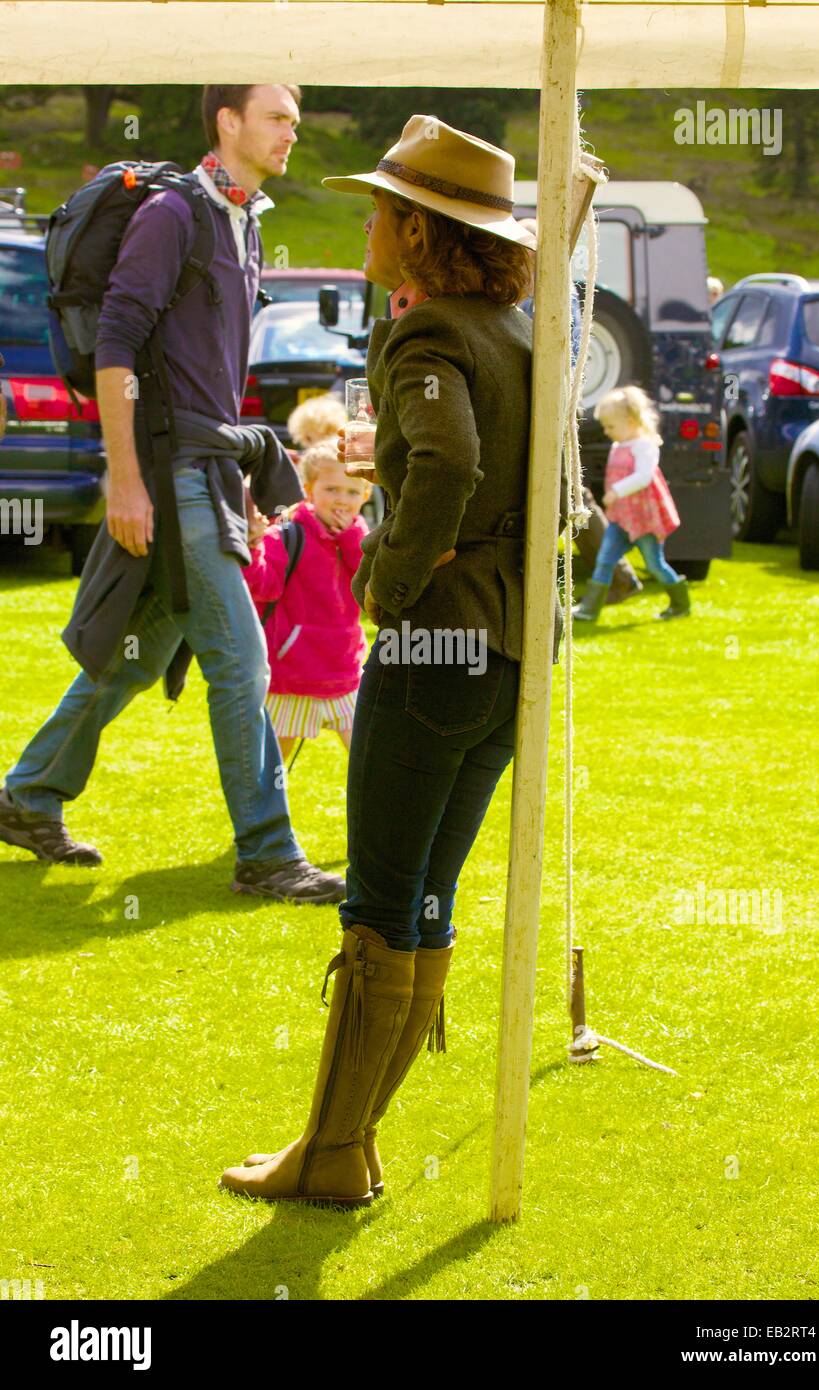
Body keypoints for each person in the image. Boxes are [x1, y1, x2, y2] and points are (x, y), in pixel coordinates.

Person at [218, 113, 569, 1205]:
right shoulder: (523, 331)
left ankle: (330, 1153)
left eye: (379, 208)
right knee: (422, 899)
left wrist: (387, 583)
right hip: (513, 656)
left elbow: (453, 456)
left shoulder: (429, 336)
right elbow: (564, 491)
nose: (365, 222)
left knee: (378, 900)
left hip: (436, 648)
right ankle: (348, 1142)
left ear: (416, 232)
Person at [0, 83, 345, 906]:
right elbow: (116, 345)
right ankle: (267, 852)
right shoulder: (174, 215)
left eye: (296, 118)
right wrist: (124, 478)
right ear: (227, 122)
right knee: (243, 660)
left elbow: (215, 381)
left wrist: (242, 485)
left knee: (138, 653)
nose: (292, 131)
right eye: (277, 117)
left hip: (209, 471)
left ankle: (27, 794)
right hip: (167, 472)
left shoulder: (247, 222)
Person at [516, 216, 642, 608]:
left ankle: (617, 577)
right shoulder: (560, 288)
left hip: (547, 410)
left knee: (569, 495)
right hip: (559, 407)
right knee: (570, 494)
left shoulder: (544, 293)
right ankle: (618, 577)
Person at [243, 441, 370, 767]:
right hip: (293, 677)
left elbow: (370, 586)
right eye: (331, 489)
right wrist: (253, 547)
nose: (342, 499)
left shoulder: (360, 537)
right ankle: (264, 817)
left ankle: (383, 819)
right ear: (309, 490)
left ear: (366, 496)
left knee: (370, 763)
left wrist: (350, 538)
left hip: (345, 675)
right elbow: (263, 586)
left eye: (352, 492)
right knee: (271, 768)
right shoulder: (286, 533)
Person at [573, 385, 690, 623]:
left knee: (654, 563)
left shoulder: (645, 446)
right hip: (620, 518)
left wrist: (616, 491)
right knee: (605, 559)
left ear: (630, 420)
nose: (606, 432)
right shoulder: (618, 446)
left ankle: (680, 604)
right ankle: (590, 609)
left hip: (644, 519)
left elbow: (644, 476)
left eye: (611, 426)